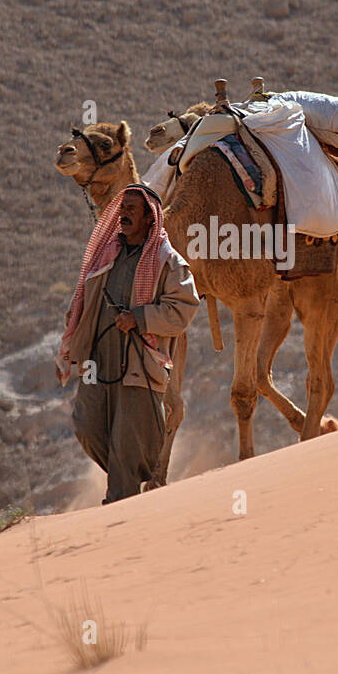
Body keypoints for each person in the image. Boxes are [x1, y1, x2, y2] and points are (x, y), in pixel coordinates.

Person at [56, 184, 200, 503]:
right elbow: (81, 306)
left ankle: (121, 500)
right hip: (99, 362)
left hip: (139, 364)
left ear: (151, 218)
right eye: (123, 208)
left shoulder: (167, 261)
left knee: (125, 447)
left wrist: (140, 318)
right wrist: (70, 352)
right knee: (86, 426)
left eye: (133, 209)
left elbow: (184, 309)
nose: (124, 214)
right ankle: (128, 473)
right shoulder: (106, 255)